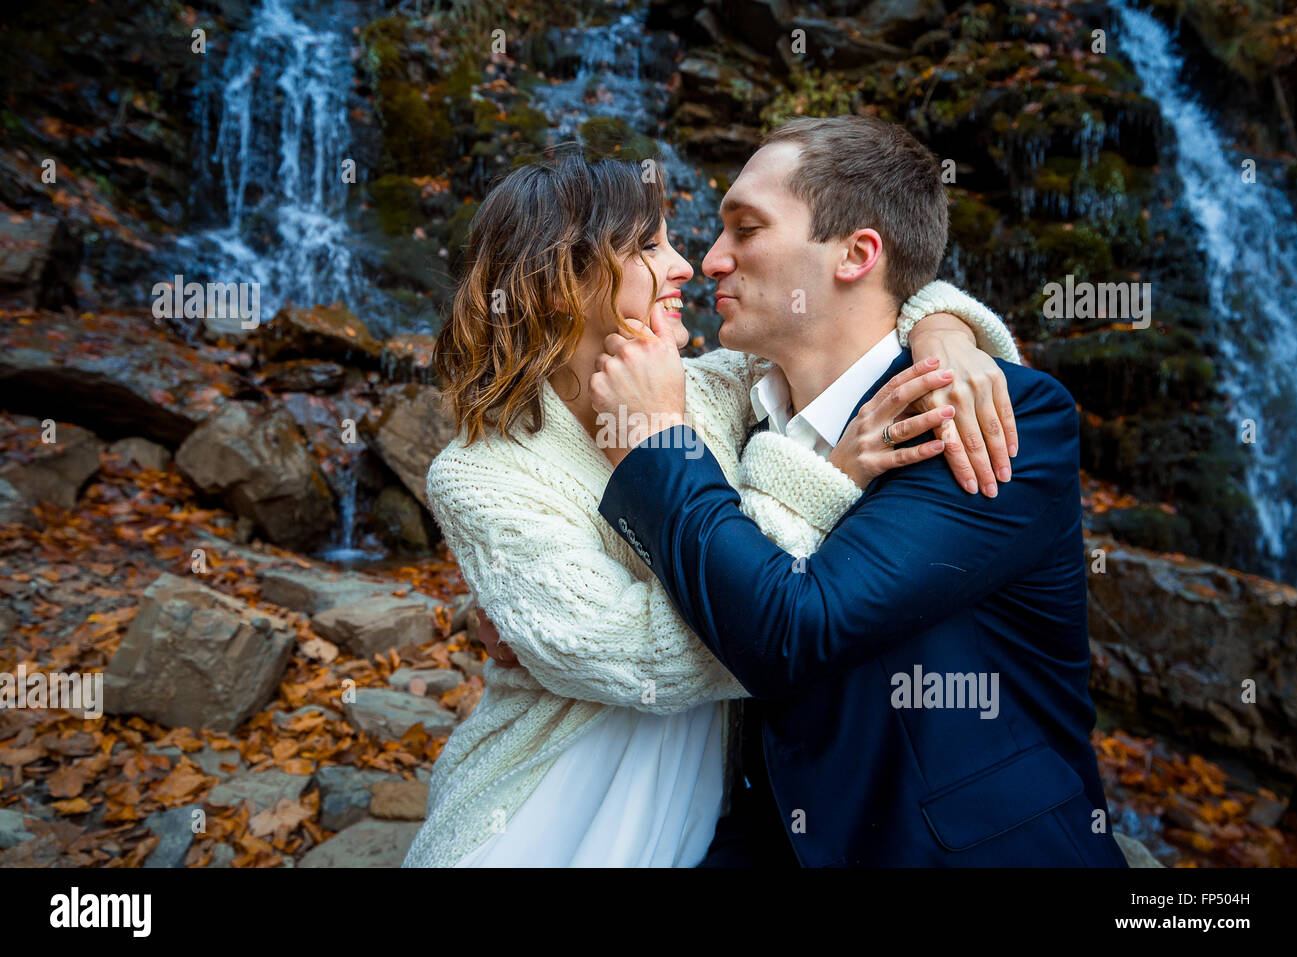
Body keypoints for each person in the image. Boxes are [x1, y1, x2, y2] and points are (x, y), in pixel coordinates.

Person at [401, 141, 1021, 868]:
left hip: (702, 826)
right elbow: (642, 659)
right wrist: (823, 481)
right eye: (649, 246)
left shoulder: (714, 390)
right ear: (562, 279)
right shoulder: (481, 473)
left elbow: (858, 303)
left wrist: (949, 330)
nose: (687, 267)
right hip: (542, 817)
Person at [591, 115, 1129, 866]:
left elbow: (794, 629)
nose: (710, 260)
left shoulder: (985, 414)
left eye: (746, 229)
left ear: (857, 253)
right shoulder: (741, 415)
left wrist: (657, 442)